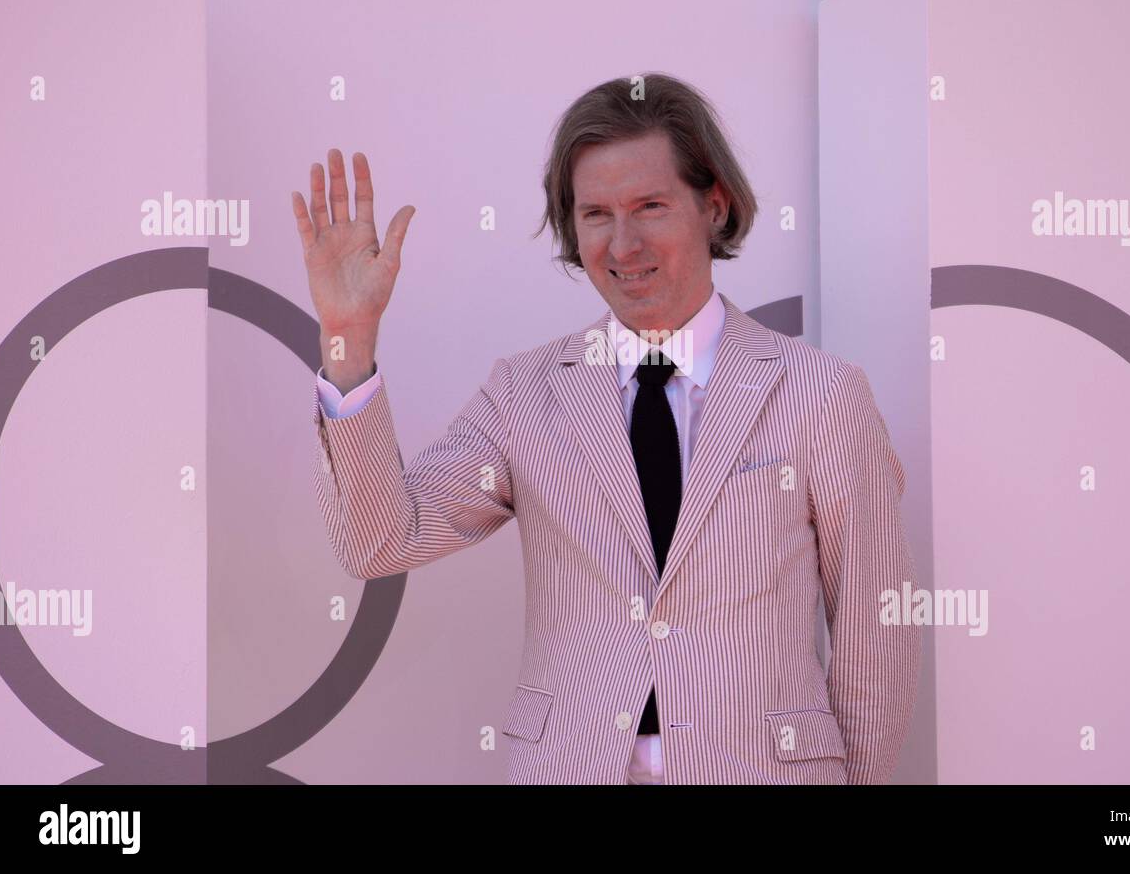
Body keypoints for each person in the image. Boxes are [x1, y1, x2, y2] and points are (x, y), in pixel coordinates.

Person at [291, 72, 920, 785]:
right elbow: (379, 540)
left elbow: (876, 636)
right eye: (595, 215)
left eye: (650, 206)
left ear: (713, 204)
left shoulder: (821, 394)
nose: (623, 245)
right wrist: (349, 339)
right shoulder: (524, 394)